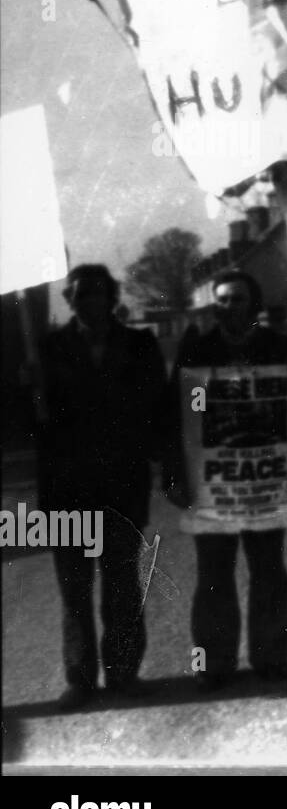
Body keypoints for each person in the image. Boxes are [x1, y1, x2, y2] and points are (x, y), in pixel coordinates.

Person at [165, 269, 287, 689]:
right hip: (213, 484)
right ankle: (214, 664)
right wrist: (175, 474)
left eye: (238, 299)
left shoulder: (280, 348)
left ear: (254, 304)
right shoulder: (196, 350)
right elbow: (177, 416)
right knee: (213, 574)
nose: (229, 307)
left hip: (266, 481)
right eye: (222, 300)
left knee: (269, 570)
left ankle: (271, 659)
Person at [38, 264, 168, 710]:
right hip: (65, 489)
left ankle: (124, 673)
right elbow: (28, 426)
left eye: (99, 292)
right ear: (69, 300)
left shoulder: (140, 345)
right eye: (82, 293)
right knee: (74, 590)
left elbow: (158, 409)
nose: (91, 300)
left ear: (112, 298)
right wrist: (24, 391)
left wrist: (162, 460)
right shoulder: (46, 350)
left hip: (121, 484)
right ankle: (80, 680)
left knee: (122, 584)